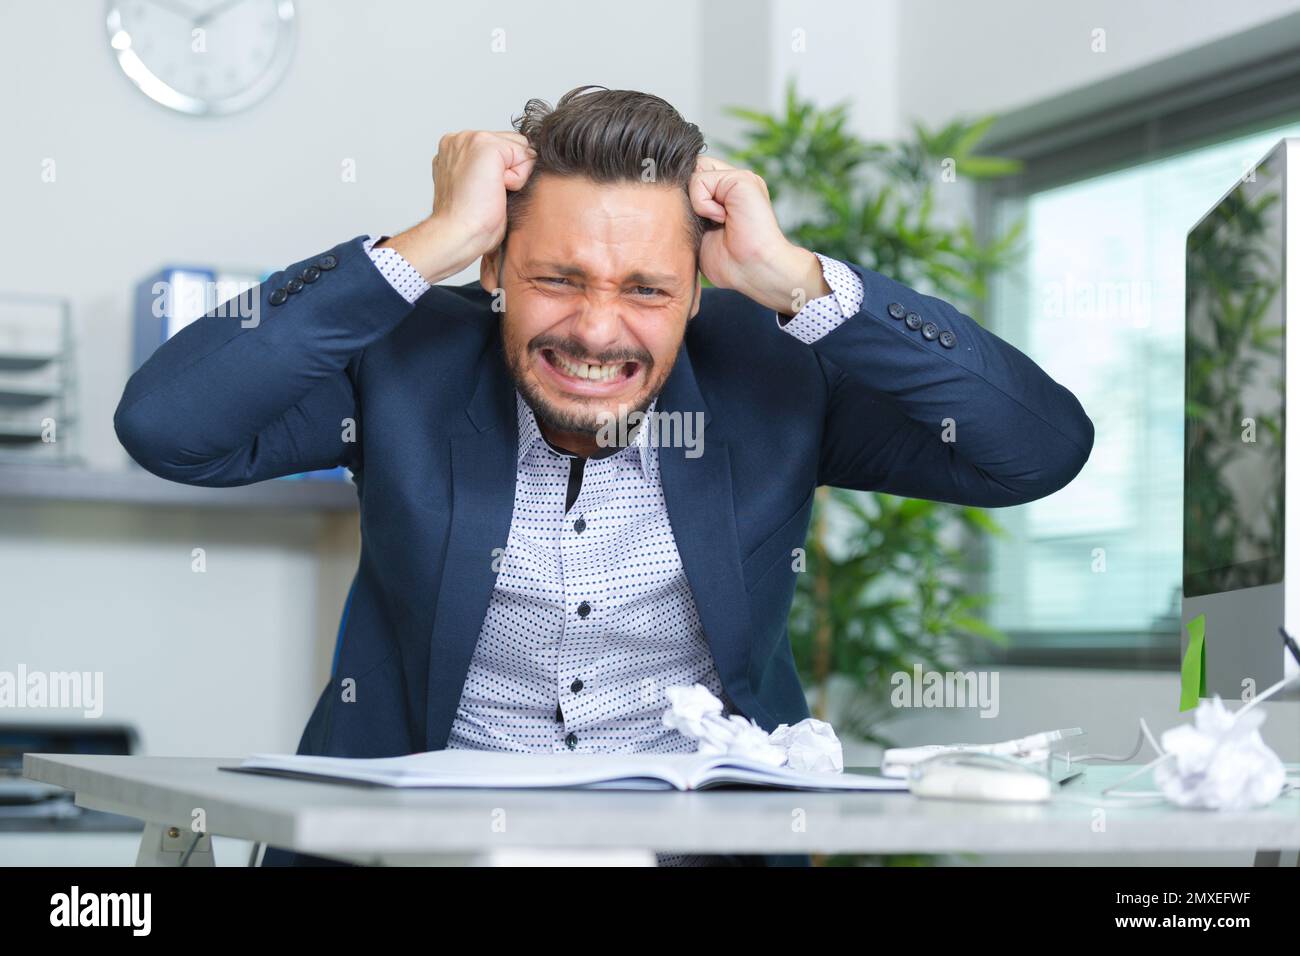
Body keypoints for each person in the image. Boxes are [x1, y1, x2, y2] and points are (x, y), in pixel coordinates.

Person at [114, 85, 1094, 867]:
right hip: (413, 852)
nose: (594, 328)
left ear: (699, 292)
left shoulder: (774, 373)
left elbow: (1035, 445)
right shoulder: (405, 359)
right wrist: (425, 245)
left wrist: (795, 279)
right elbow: (169, 425)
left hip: (690, 853)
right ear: (494, 265)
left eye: (645, 289)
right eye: (557, 278)